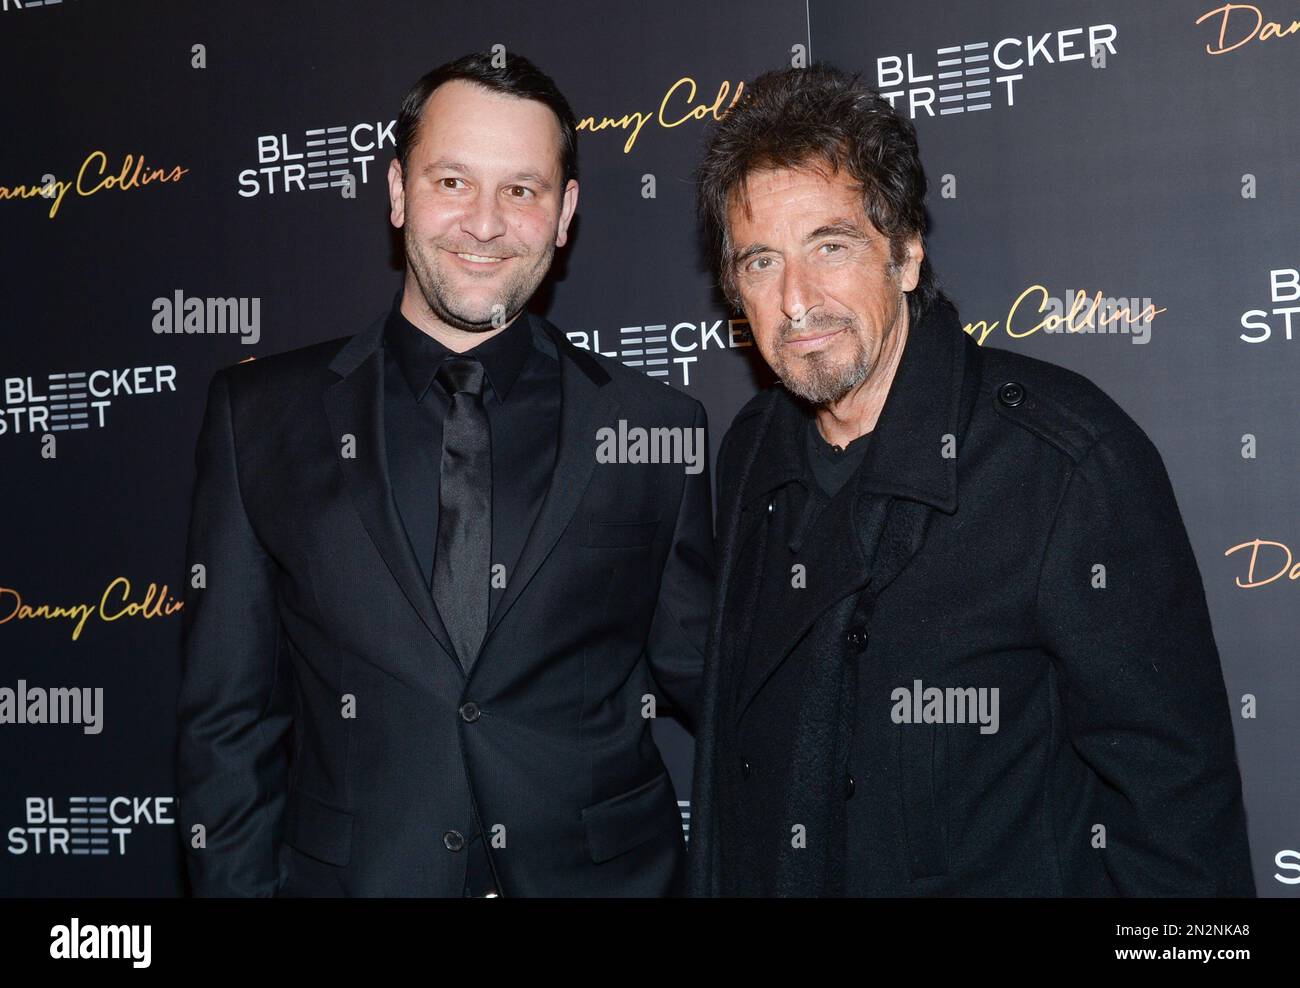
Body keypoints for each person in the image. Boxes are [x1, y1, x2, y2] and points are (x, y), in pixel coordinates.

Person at [686, 63, 1254, 896]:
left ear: (907, 254)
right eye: (761, 261)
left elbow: (1179, 817)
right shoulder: (749, 452)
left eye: (830, 247)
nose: (796, 300)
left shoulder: (1065, 461)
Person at [177, 52, 712, 897]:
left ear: (565, 213)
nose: (486, 223)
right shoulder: (259, 417)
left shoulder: (654, 428)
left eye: (523, 190)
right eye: (453, 182)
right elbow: (227, 725)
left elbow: (720, 688)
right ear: (396, 192)